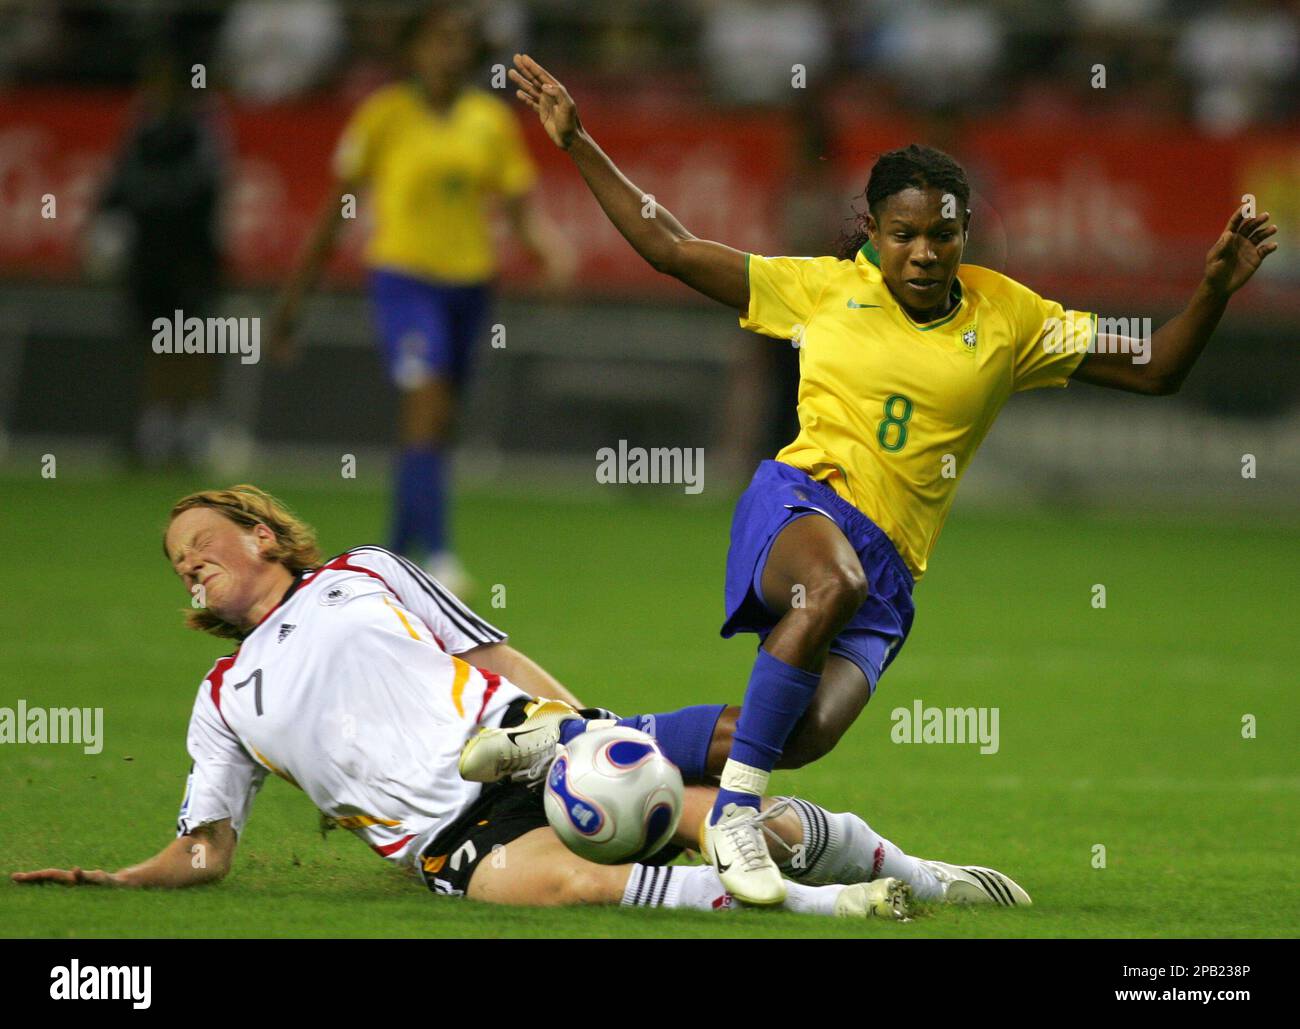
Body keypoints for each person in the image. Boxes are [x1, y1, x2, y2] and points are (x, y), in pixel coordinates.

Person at [477, 54, 1279, 906]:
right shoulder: (824, 290)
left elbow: (1155, 367)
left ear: (966, 232)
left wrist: (1213, 288)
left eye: (943, 235)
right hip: (800, 503)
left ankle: (566, 736)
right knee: (829, 584)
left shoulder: (1012, 317)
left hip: (892, 567)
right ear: (872, 230)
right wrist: (580, 141)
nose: (924, 253)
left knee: (801, 730)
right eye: (904, 235)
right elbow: (672, 248)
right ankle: (738, 817)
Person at [10, 485, 1029, 917]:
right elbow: (207, 846)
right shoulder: (222, 698)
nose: (187, 567)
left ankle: (921, 878)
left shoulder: (365, 573)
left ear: (260, 538)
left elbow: (489, 645)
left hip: (525, 744)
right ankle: (841, 909)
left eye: (201, 545)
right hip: (444, 835)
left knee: (726, 815)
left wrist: (588, 728)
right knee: (560, 886)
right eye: (175, 564)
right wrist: (118, 881)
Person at [270, 3, 574, 598]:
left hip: (469, 287)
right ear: (413, 49)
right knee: (424, 404)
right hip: (403, 283)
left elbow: (517, 208)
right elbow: (337, 211)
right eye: (437, 40)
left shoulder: (488, 121)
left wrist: (548, 254)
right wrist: (292, 301)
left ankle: (390, 559)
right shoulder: (384, 116)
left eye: (459, 41)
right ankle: (438, 556)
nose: (449, 52)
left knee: (437, 425)